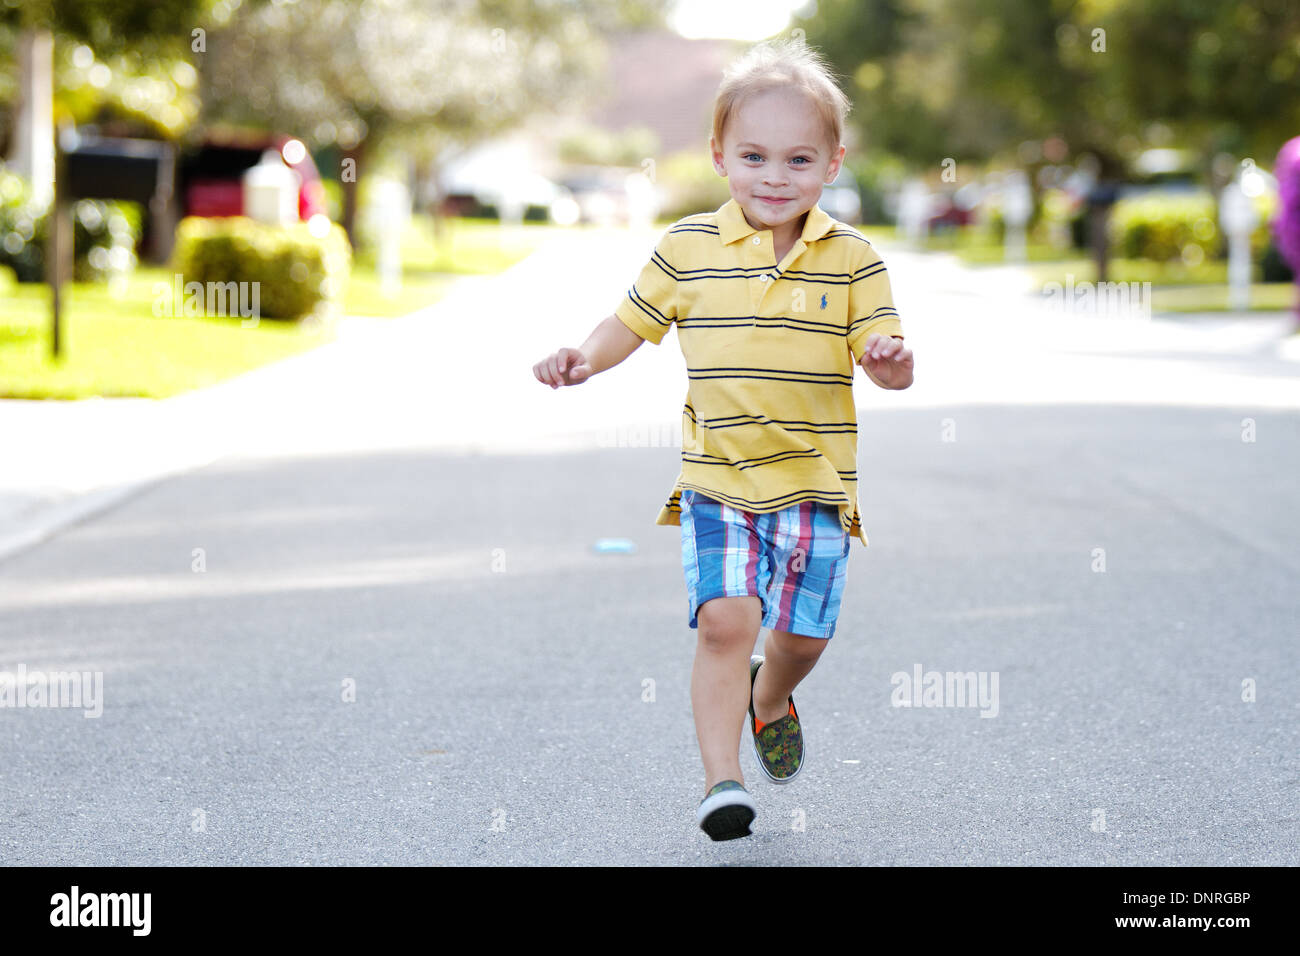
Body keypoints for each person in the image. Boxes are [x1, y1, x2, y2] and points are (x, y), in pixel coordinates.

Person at [532, 38, 914, 841]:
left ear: (833, 162)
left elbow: (888, 360)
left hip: (815, 487)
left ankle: (769, 693)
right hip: (720, 482)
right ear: (719, 155)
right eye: (754, 156)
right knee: (724, 621)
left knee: (802, 639)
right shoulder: (687, 249)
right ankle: (722, 783)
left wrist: (891, 361)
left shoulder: (854, 261)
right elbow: (629, 323)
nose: (775, 177)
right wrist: (584, 360)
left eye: (799, 159)